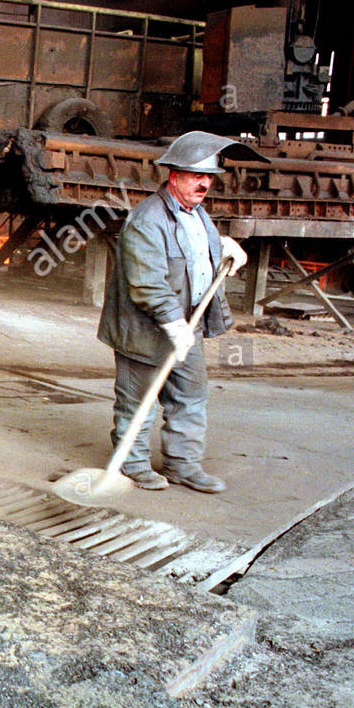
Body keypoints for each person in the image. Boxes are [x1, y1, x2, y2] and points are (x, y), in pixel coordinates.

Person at [96, 130, 267, 494]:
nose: (204, 183)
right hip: (144, 329)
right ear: (174, 177)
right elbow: (147, 283)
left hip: (188, 325)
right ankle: (133, 465)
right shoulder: (147, 220)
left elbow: (192, 253)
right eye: (196, 176)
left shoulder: (197, 214)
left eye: (208, 177)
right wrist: (173, 324)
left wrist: (222, 246)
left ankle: (182, 465)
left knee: (190, 396)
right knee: (137, 399)